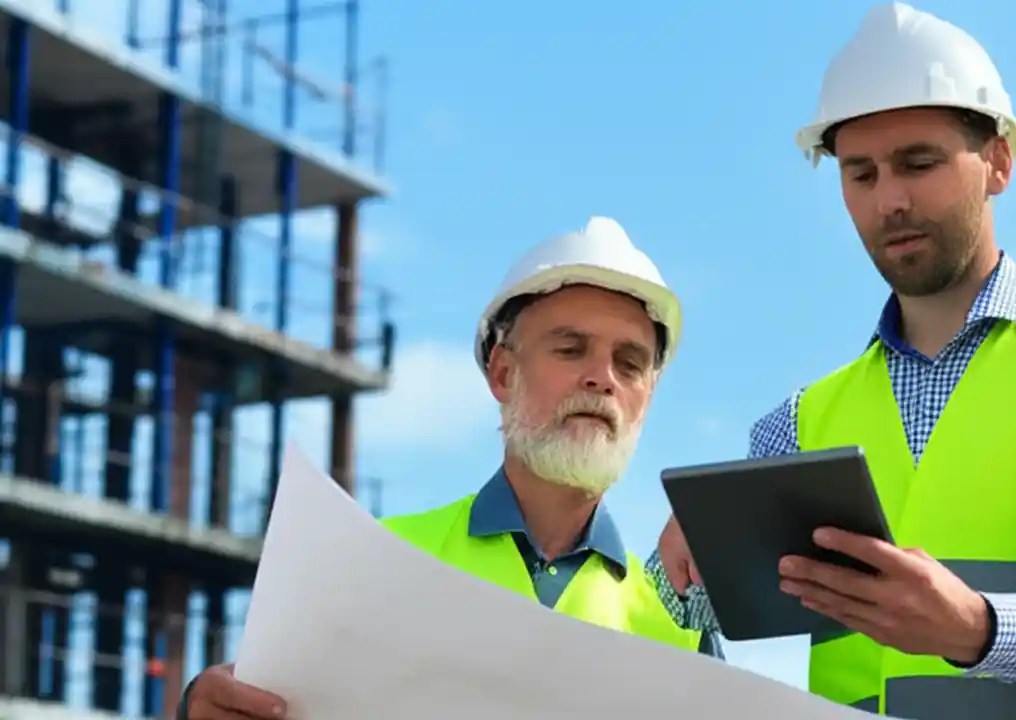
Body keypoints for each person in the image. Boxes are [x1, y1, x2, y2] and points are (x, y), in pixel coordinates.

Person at [649, 4, 1016, 718]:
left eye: (918, 163)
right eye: (860, 174)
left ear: (998, 161)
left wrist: (976, 627)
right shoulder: (796, 425)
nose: (890, 201)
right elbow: (682, 630)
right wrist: (682, 569)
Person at [178, 216, 719, 720]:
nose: (602, 378)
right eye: (570, 349)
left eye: (629, 364)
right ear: (503, 373)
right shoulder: (374, 563)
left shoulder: (676, 629)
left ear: (646, 398)